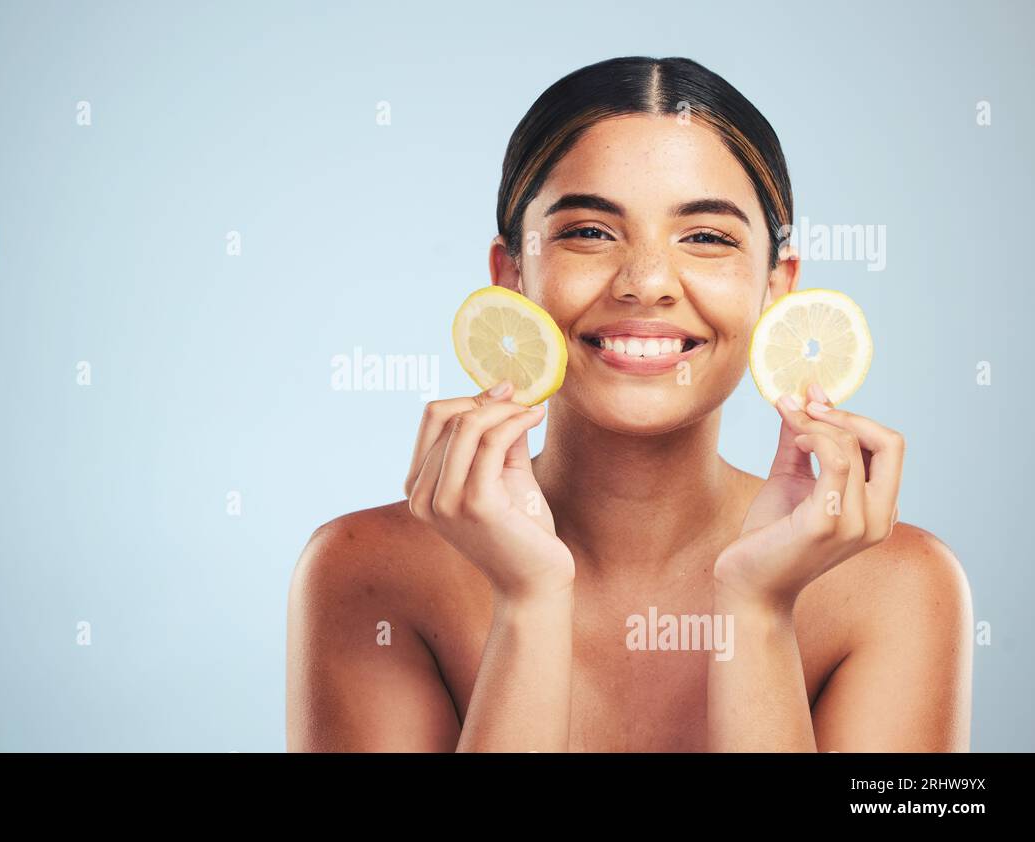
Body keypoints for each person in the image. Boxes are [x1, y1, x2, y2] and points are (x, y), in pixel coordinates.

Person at [286, 56, 972, 752]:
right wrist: (528, 603)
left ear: (778, 289)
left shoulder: (900, 588)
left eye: (706, 237)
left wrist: (758, 609)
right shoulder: (365, 571)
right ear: (511, 276)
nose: (646, 284)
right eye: (589, 231)